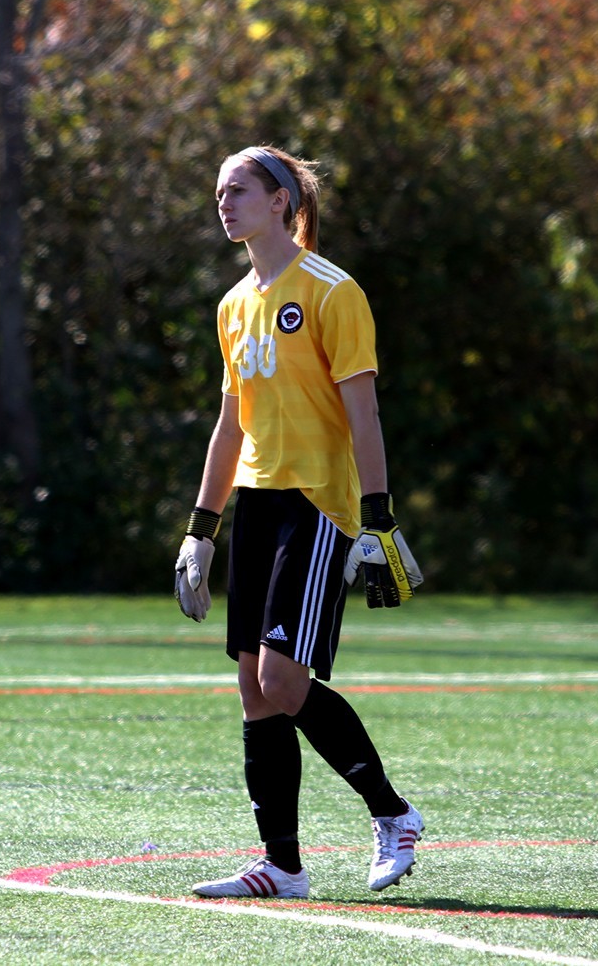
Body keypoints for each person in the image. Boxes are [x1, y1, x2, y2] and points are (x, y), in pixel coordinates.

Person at [174, 145, 425, 900]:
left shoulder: (330, 289)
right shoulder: (232, 303)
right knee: (253, 686)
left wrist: (376, 517)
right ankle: (282, 865)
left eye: (239, 189)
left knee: (284, 679)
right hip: (256, 501)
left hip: (316, 504)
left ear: (281, 200)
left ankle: (395, 814)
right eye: (219, 191)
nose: (224, 201)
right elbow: (229, 426)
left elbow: (364, 411)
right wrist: (201, 527)